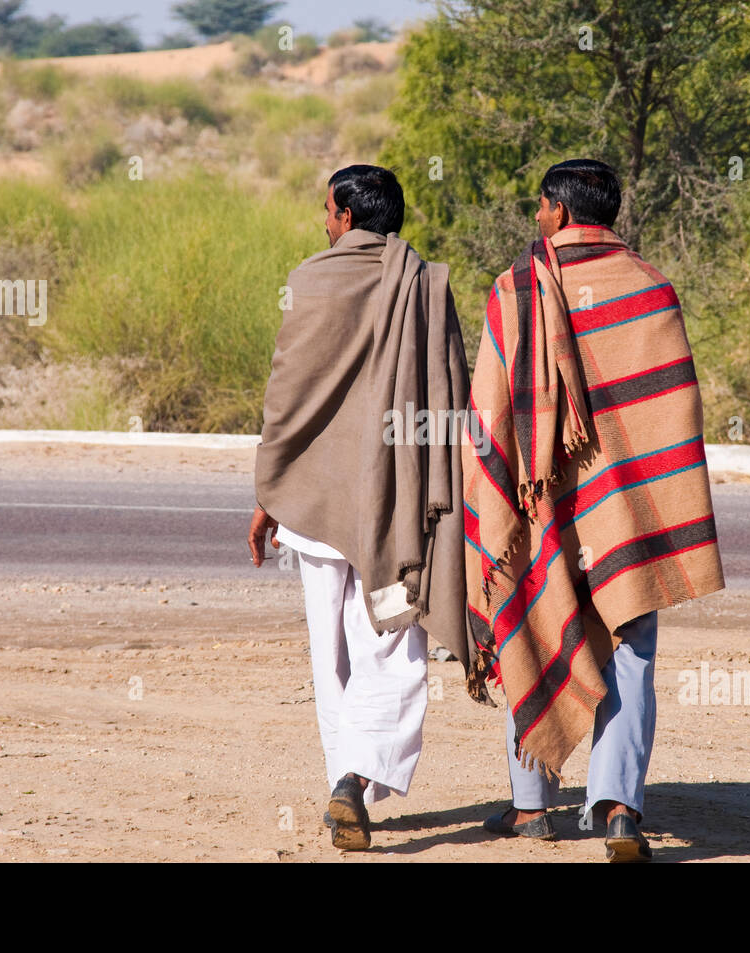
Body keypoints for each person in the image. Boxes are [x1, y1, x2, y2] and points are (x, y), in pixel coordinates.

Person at [462, 159, 725, 862]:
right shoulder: (651, 289)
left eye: (540, 207)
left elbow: (487, 414)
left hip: (539, 509)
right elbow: (670, 412)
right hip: (625, 511)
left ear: (556, 209)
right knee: (632, 648)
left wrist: (510, 493)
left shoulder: (514, 290)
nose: (536, 218)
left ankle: (529, 809)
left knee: (533, 623)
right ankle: (616, 810)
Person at [248, 165, 484, 851]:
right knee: (390, 640)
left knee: (330, 653)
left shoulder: (311, 279)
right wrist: (451, 493)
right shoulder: (428, 286)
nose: (323, 221)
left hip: (315, 506)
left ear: (347, 217)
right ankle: (356, 775)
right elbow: (451, 399)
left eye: (327, 210)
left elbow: (284, 399)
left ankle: (344, 779)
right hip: (402, 503)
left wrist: (268, 493)